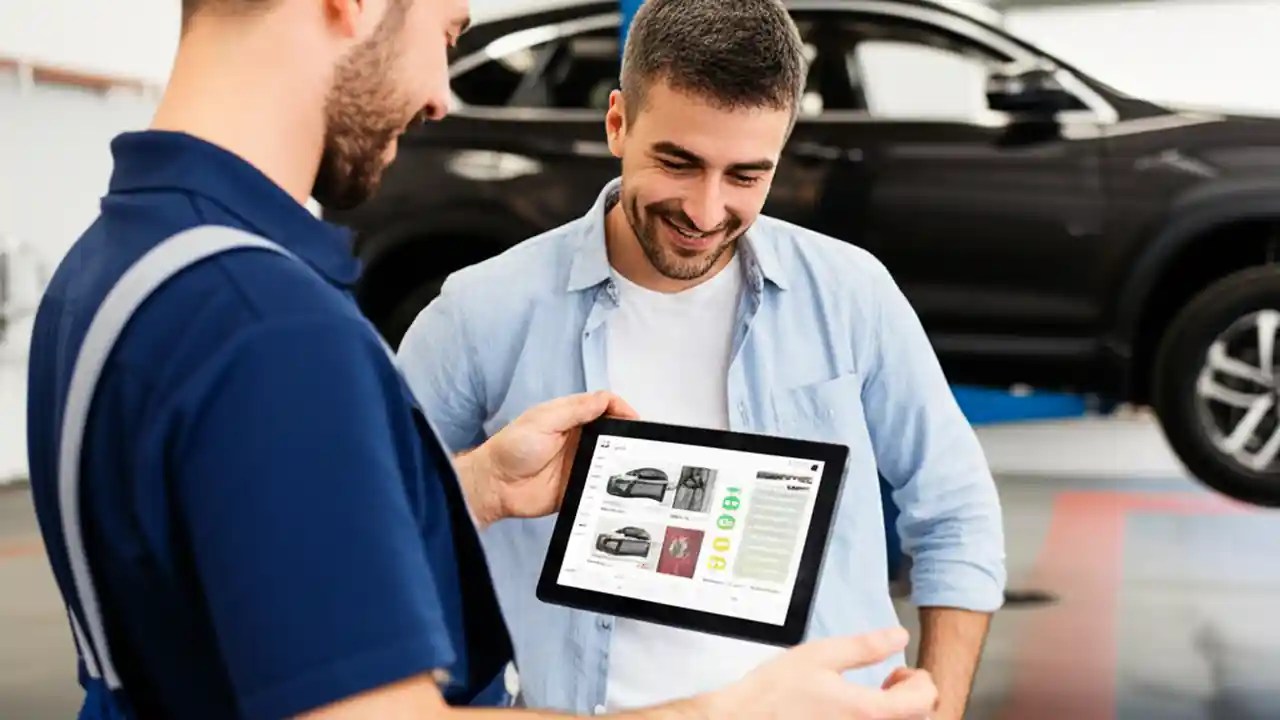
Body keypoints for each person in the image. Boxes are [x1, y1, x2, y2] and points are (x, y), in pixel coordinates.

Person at [23, 0, 941, 718]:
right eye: (447, 30)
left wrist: (474, 488)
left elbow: (209, 587)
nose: (441, 93)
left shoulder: (115, 267)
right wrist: (729, 713)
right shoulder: (271, 328)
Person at [395, 0, 1008, 719]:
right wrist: (479, 482)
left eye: (745, 176)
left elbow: (956, 510)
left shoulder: (850, 295)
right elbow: (373, 530)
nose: (706, 212)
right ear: (618, 123)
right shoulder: (481, 313)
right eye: (678, 163)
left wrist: (943, 705)